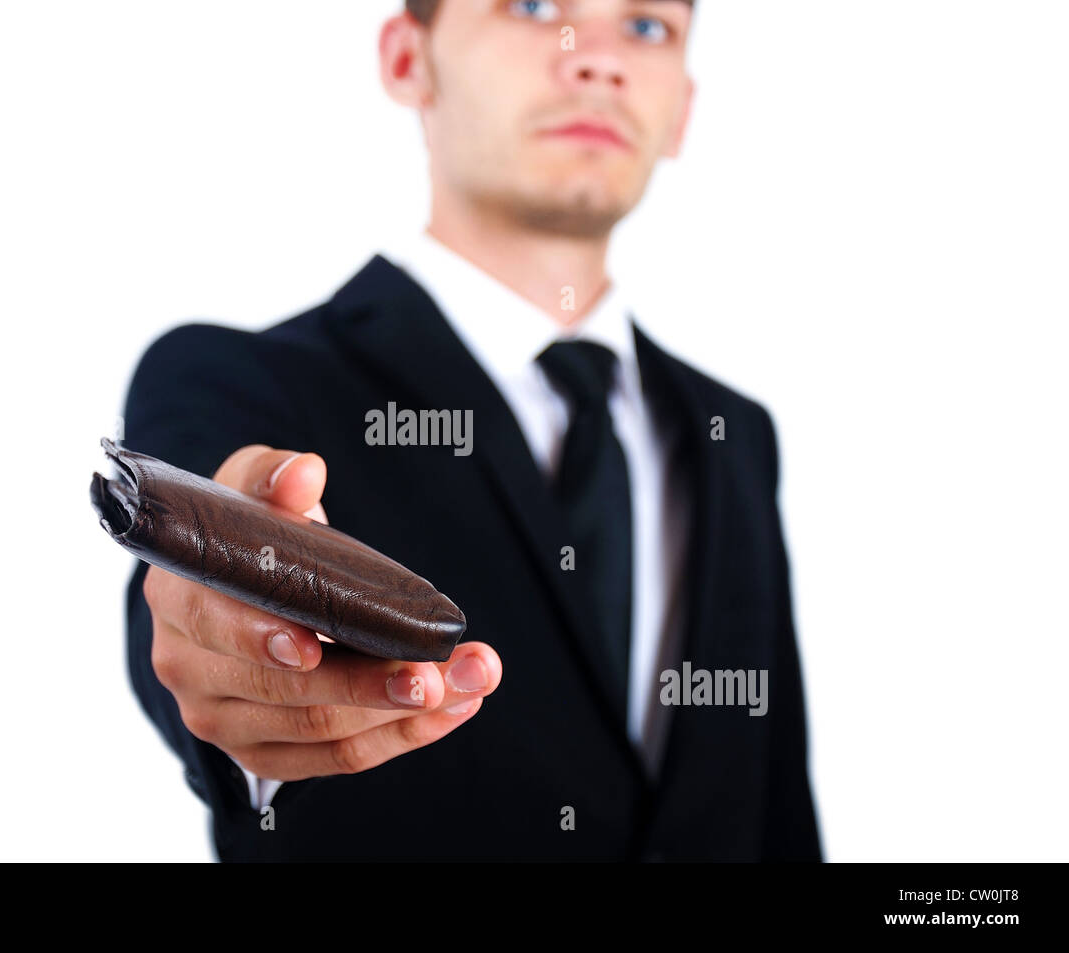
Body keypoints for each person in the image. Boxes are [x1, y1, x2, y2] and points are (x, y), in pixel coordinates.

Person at [119, 0, 822, 861]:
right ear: (409, 58)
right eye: (535, 7)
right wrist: (232, 651)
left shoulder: (737, 436)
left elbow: (775, 803)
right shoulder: (240, 381)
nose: (595, 58)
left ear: (679, 110)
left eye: (646, 27)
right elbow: (189, 621)